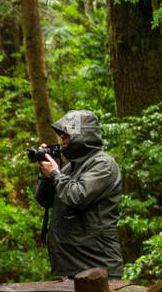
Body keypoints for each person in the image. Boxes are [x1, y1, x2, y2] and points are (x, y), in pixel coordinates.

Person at [33, 110, 124, 279]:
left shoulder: (103, 164)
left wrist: (55, 174)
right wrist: (45, 175)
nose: (61, 138)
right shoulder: (69, 168)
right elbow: (44, 200)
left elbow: (77, 196)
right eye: (60, 135)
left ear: (83, 134)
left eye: (66, 134)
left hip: (97, 266)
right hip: (67, 266)